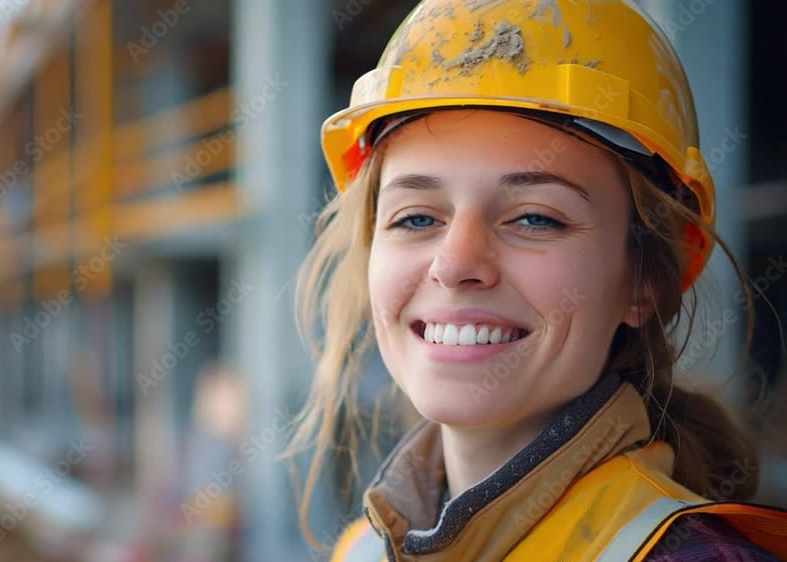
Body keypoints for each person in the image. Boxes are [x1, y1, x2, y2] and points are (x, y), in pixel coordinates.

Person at [287, 1, 787, 561]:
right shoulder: (361, 551)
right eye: (417, 218)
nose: (454, 265)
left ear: (643, 281)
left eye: (534, 218)